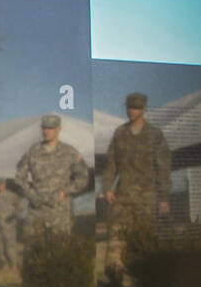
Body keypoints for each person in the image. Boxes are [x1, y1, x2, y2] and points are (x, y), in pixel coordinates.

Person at [102, 93, 171, 276]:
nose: (132, 111)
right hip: (122, 197)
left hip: (147, 199)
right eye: (130, 107)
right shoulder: (120, 133)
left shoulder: (155, 134)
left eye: (136, 107)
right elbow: (111, 164)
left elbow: (163, 168)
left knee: (144, 240)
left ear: (144, 109)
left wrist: (164, 198)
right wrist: (108, 187)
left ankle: (144, 279)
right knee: (115, 242)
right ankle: (113, 282)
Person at [15, 114, 88, 235]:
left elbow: (82, 177)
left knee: (60, 250)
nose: (46, 131)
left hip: (60, 211)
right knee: (34, 249)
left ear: (58, 129)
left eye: (50, 128)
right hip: (37, 211)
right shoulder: (32, 152)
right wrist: (32, 195)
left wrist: (65, 191)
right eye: (44, 128)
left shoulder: (70, 152)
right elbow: (19, 178)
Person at [0, 179, 20, 268]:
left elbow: (20, 207)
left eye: (1, 184)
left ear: (5, 185)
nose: (0, 186)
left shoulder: (12, 196)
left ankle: (13, 264)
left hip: (8, 225)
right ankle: (2, 265)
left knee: (10, 246)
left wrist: (13, 216)